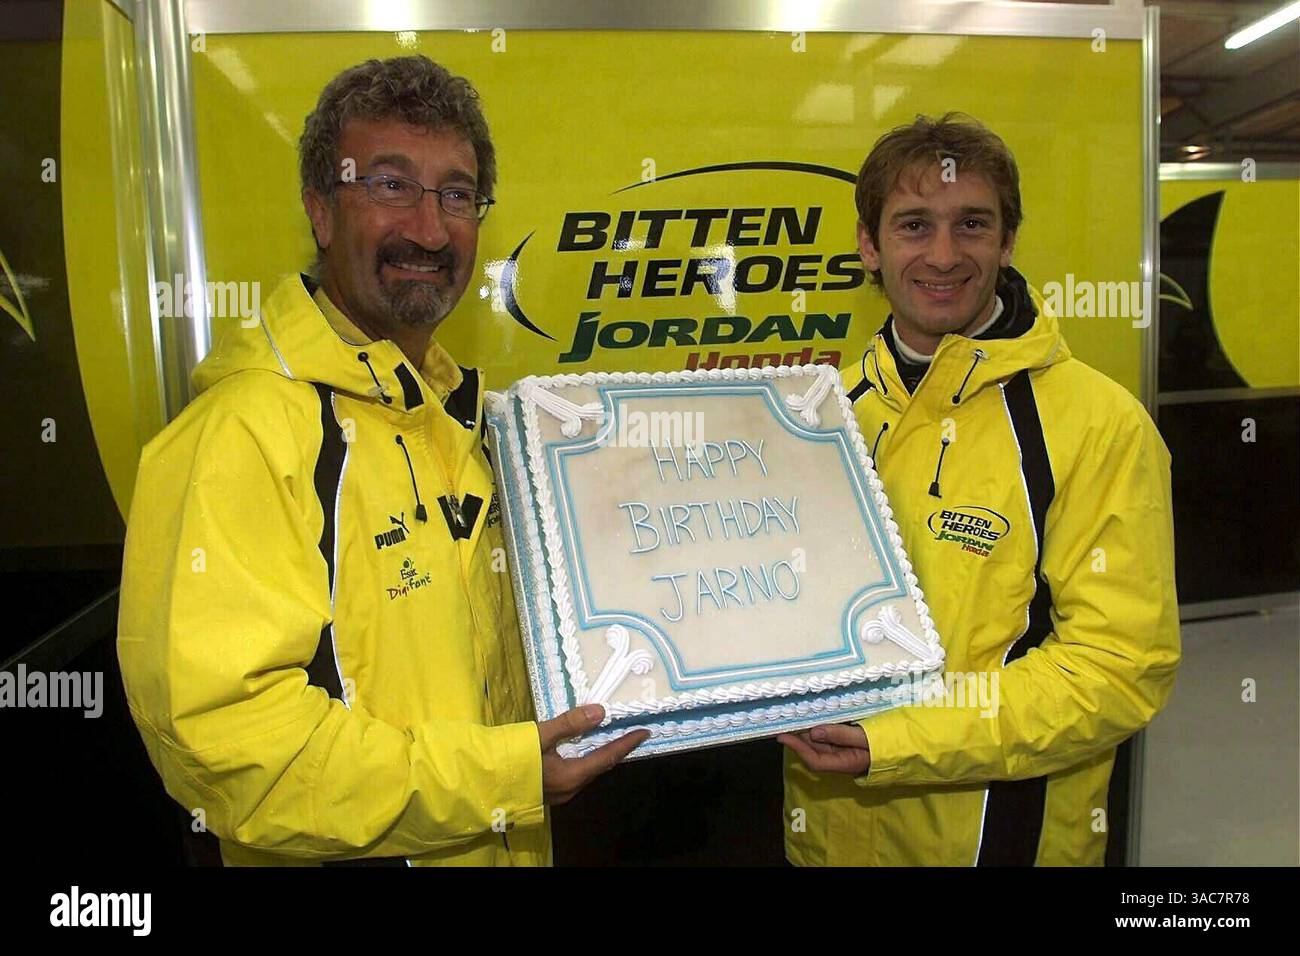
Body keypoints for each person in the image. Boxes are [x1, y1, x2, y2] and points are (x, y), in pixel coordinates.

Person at [117, 55, 645, 867]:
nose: (430, 231)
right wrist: (501, 774)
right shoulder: (242, 432)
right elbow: (236, 754)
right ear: (320, 210)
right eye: (390, 185)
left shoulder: (463, 422)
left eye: (457, 195)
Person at [779, 113, 1180, 866]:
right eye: (912, 225)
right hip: (826, 836)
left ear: (1006, 240)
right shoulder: (823, 412)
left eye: (971, 224)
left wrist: (892, 740)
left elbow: (1117, 670)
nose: (942, 254)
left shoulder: (1099, 424)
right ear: (870, 246)